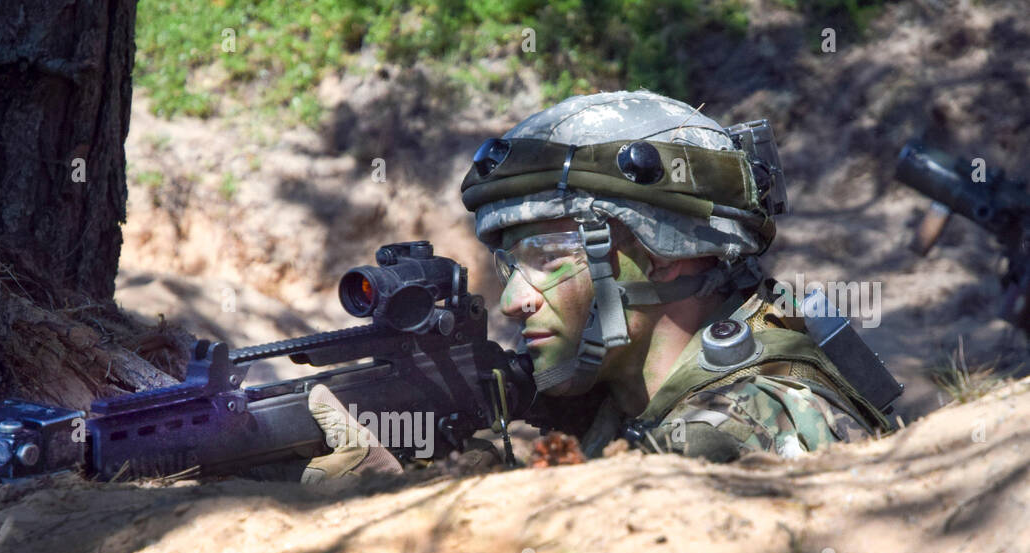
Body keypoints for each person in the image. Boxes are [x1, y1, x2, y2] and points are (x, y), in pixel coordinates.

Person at [302, 90, 895, 482]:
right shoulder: (630, 399)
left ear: (664, 254)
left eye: (549, 256)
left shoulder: (744, 429)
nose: (513, 300)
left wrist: (393, 504)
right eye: (511, 263)